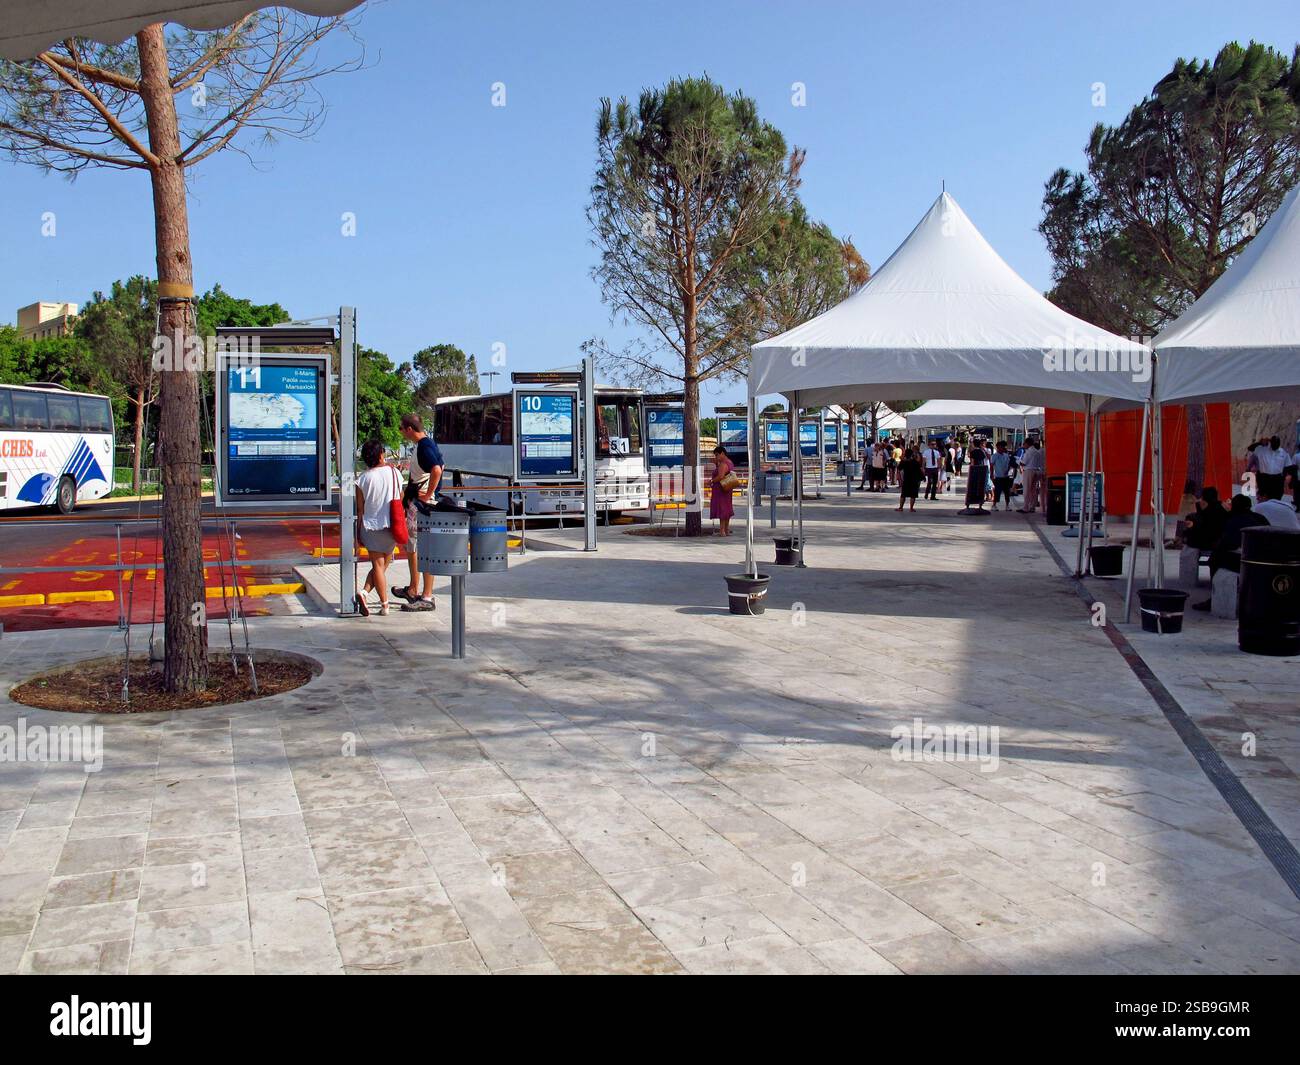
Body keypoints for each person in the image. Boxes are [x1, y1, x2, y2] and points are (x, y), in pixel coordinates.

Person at [392, 413, 445, 612]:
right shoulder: (426, 444)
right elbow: (441, 465)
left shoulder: (424, 446)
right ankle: (414, 589)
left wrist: (428, 494)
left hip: (423, 505)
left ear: (409, 429)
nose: (401, 432)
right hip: (418, 502)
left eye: (402, 428)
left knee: (422, 548)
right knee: (412, 546)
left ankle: (427, 595)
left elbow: (437, 470)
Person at [1193, 494, 1269, 611]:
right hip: (1262, 560)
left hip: (1241, 562)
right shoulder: (1261, 518)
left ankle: (1215, 597)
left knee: (1214, 559)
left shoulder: (1232, 520)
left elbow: (1228, 543)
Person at [354, 439, 400, 617]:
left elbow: (360, 509)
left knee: (378, 566)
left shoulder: (362, 479)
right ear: (381, 454)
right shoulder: (394, 472)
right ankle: (384, 604)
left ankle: (365, 593)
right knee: (383, 566)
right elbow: (400, 496)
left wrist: (358, 533)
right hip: (391, 525)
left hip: (371, 526)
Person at [1254, 435, 1292, 501]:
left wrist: (1283, 477)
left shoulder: (1284, 453)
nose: (1275, 445)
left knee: (1276, 497)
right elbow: (1250, 448)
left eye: (1277, 443)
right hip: (1264, 478)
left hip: (1277, 479)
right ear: (1270, 442)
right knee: (1263, 497)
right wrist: (1260, 443)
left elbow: (1288, 466)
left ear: (1279, 444)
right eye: (1274, 443)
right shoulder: (1262, 449)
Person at [710, 445, 736, 536]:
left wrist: (712, 481)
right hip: (727, 488)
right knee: (727, 508)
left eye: (717, 455)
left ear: (722, 453)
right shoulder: (729, 462)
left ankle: (722, 531)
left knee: (722, 509)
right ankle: (726, 529)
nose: (716, 457)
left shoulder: (723, 463)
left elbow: (720, 476)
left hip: (721, 489)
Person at [1018, 436, 1046, 513]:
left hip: (1029, 470)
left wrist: (1018, 461)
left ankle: (1025, 507)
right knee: (1033, 490)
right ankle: (1032, 506)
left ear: (1027, 444)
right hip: (1037, 470)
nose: (1023, 445)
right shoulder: (1037, 451)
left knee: (1027, 489)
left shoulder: (1029, 452)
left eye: (1024, 444)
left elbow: (1023, 463)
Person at [989, 440, 1017, 511]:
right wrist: (992, 475)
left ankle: (1007, 505)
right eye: (1002, 446)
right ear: (998, 447)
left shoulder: (1006, 455)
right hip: (998, 476)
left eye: (1004, 446)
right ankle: (994, 505)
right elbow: (992, 465)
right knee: (997, 491)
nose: (1004, 448)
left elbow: (1009, 464)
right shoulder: (994, 456)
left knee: (1007, 491)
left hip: (1006, 476)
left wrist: (1007, 471)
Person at [964, 438, 988, 512]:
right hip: (982, 470)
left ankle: (969, 503)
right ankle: (980, 504)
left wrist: (971, 469)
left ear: (974, 444)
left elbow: (972, 462)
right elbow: (984, 461)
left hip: (974, 470)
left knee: (972, 487)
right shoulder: (982, 451)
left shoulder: (973, 452)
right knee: (981, 487)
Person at [897, 447, 923, 512]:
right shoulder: (915, 462)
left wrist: (902, 460)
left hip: (906, 479)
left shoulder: (904, 462)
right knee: (913, 495)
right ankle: (911, 508)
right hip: (914, 480)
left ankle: (901, 507)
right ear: (912, 454)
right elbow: (919, 471)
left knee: (903, 494)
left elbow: (899, 468)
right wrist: (922, 478)